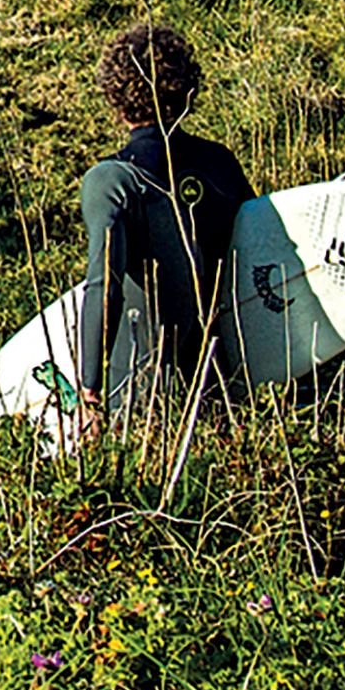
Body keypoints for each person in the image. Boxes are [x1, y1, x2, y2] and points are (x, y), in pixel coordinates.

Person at [76, 21, 254, 419]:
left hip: (148, 404)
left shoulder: (112, 181)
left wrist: (89, 391)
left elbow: (105, 287)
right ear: (186, 94)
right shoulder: (220, 163)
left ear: (116, 101)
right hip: (228, 391)